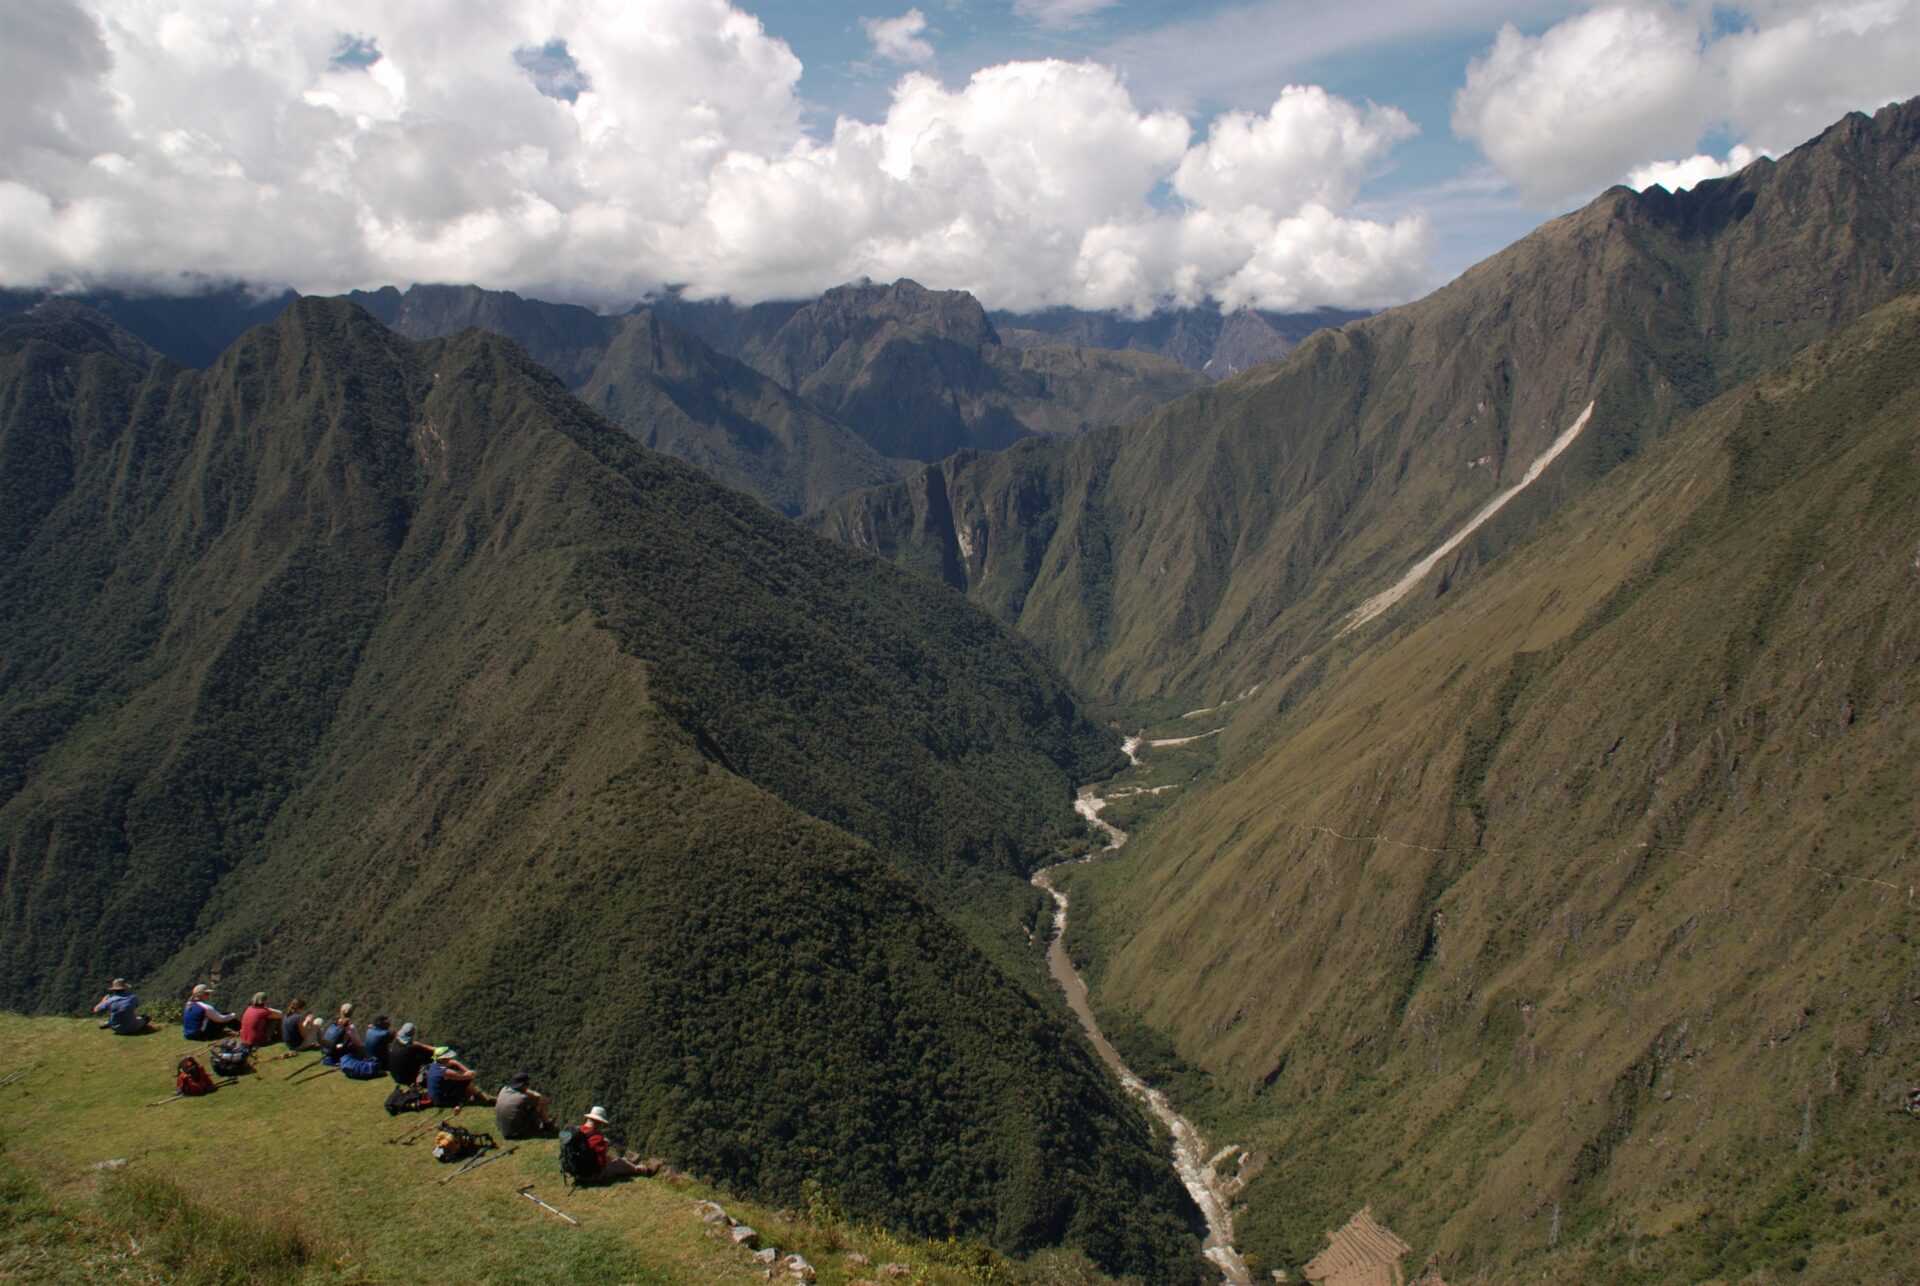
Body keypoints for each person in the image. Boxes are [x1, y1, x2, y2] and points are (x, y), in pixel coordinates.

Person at [578, 1106, 648, 1181]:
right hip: (592, 1175)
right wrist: (605, 1147)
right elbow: (602, 1163)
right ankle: (642, 1170)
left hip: (578, 1175)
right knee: (619, 1163)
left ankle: (629, 1162)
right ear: (598, 1122)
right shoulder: (596, 1138)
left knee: (614, 1160)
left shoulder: (578, 1131)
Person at [495, 1071, 557, 1139]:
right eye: (527, 1084)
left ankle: (544, 1125)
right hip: (515, 1133)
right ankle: (548, 1126)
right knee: (541, 1104)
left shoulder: (504, 1089)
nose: (528, 1085)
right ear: (523, 1085)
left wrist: (524, 1089)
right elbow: (542, 1099)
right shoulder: (523, 1098)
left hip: (502, 1128)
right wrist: (528, 1091)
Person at [424, 1047, 492, 1108]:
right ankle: (478, 1096)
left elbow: (454, 1063)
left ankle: (475, 1095)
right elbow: (468, 1076)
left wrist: (465, 1070)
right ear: (444, 1059)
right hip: (443, 1102)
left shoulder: (435, 1064)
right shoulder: (446, 1072)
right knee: (466, 1080)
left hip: (435, 1098)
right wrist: (469, 1073)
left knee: (458, 1072)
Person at [387, 1022, 433, 1087]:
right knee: (428, 1054)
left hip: (396, 1077)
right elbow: (430, 1050)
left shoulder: (395, 1042)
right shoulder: (412, 1046)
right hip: (408, 1079)